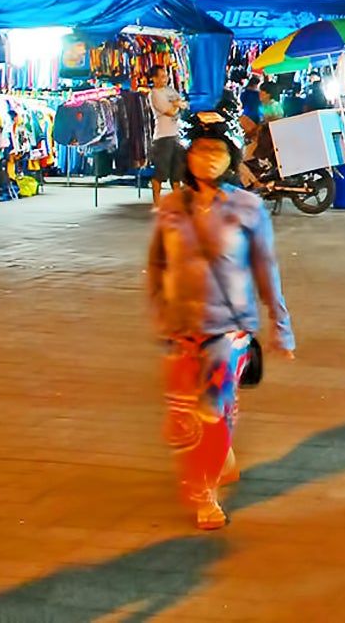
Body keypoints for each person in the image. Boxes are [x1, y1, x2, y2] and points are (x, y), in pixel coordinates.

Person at [147, 114, 296, 530]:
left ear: (229, 156)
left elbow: (266, 267)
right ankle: (222, 459)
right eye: (200, 150)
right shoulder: (172, 207)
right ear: (188, 156)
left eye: (217, 151)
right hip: (181, 327)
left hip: (228, 331)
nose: (208, 159)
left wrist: (280, 325)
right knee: (181, 419)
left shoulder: (247, 206)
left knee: (211, 411)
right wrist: (160, 313)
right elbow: (157, 264)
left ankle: (204, 493)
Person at [148, 65, 186, 205]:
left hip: (176, 135)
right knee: (160, 172)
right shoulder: (154, 94)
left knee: (176, 174)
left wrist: (177, 104)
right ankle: (157, 203)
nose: (166, 79)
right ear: (154, 78)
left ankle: (177, 203)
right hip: (163, 137)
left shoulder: (170, 90)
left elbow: (183, 104)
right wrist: (176, 105)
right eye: (162, 76)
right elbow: (170, 111)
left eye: (166, 76)